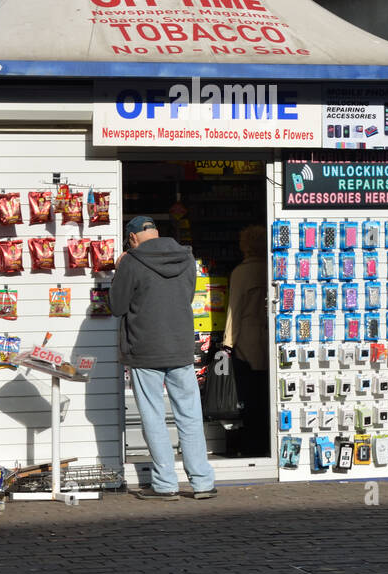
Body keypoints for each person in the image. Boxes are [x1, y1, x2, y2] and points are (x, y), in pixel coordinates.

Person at [109, 214, 217, 500]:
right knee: (190, 416)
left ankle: (165, 484)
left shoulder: (131, 262)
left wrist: (119, 270)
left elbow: (117, 306)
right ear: (156, 233)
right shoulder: (186, 259)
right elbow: (187, 294)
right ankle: (203, 482)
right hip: (180, 346)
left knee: (154, 417)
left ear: (132, 238)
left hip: (145, 349)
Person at [223, 224, 270, 457]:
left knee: (249, 397)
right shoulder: (270, 268)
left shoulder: (241, 272)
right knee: (267, 393)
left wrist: (227, 344)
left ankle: (252, 445)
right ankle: (267, 442)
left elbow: (235, 309)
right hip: (268, 338)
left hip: (248, 340)